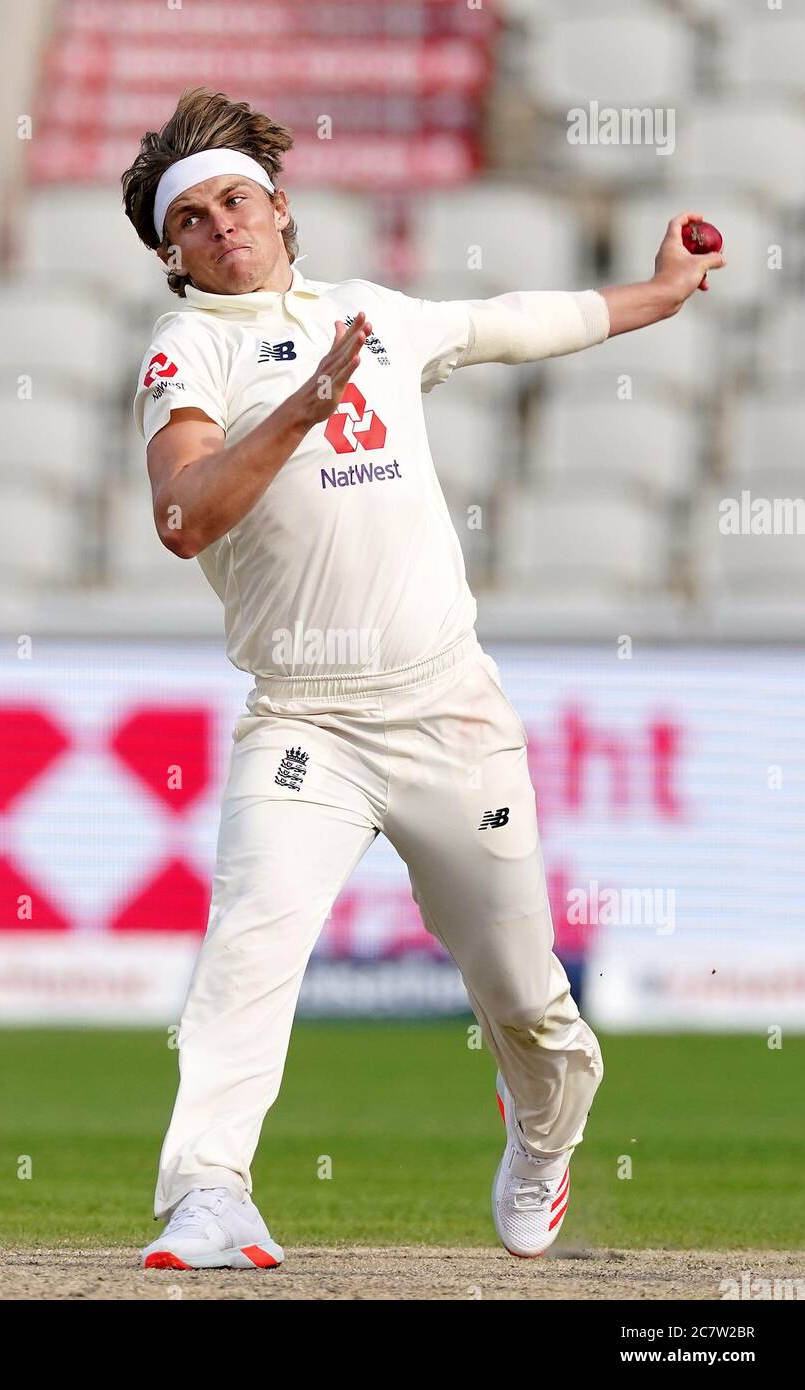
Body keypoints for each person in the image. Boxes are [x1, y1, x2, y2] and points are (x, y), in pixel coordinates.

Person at [122, 87, 725, 1271]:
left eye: (238, 200)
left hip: (447, 710)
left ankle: (544, 1135)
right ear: (170, 253)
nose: (223, 225)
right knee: (247, 947)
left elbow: (507, 319)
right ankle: (208, 1192)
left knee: (524, 994)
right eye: (192, 219)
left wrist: (656, 294)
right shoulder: (185, 350)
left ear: (282, 211)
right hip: (306, 722)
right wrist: (301, 405)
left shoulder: (372, 315)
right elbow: (183, 515)